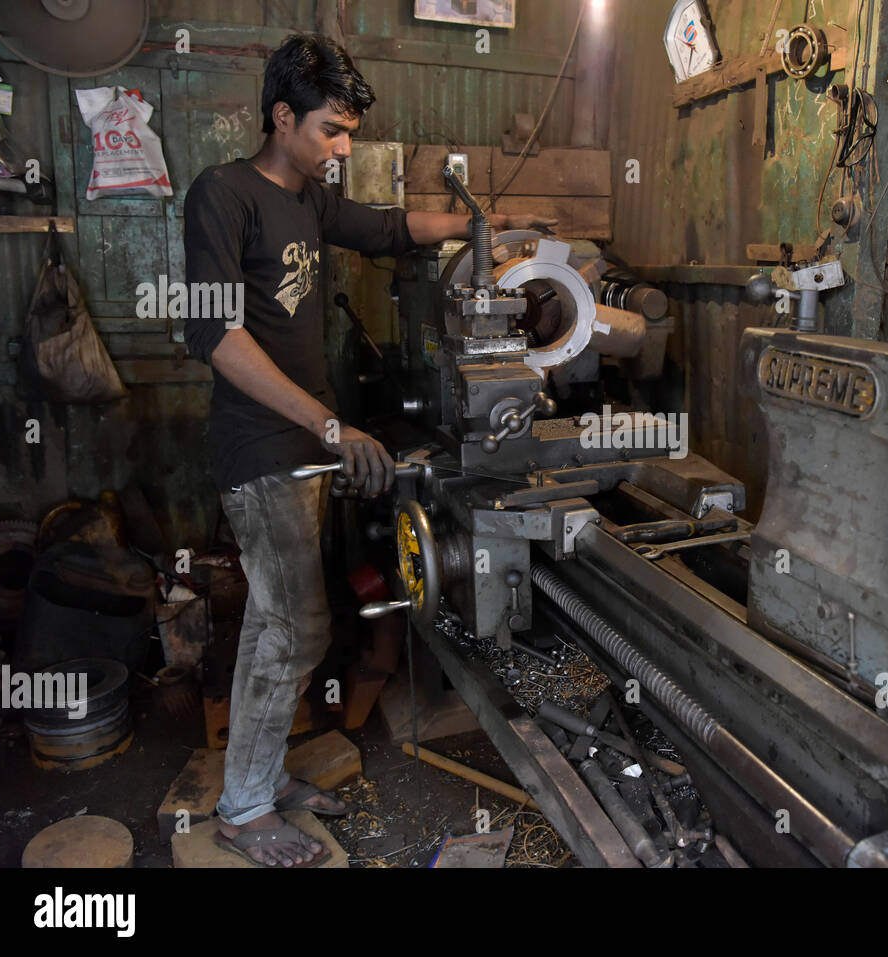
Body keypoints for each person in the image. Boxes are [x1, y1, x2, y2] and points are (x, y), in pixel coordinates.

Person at [183, 33, 555, 867]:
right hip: (261, 451)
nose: (344, 147)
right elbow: (215, 336)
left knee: (274, 627)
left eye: (349, 131)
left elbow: (390, 230)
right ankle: (243, 811)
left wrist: (484, 225)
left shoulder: (310, 201)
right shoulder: (223, 194)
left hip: (301, 451)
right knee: (297, 627)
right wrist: (328, 426)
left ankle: (260, 775)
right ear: (282, 117)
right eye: (331, 130)